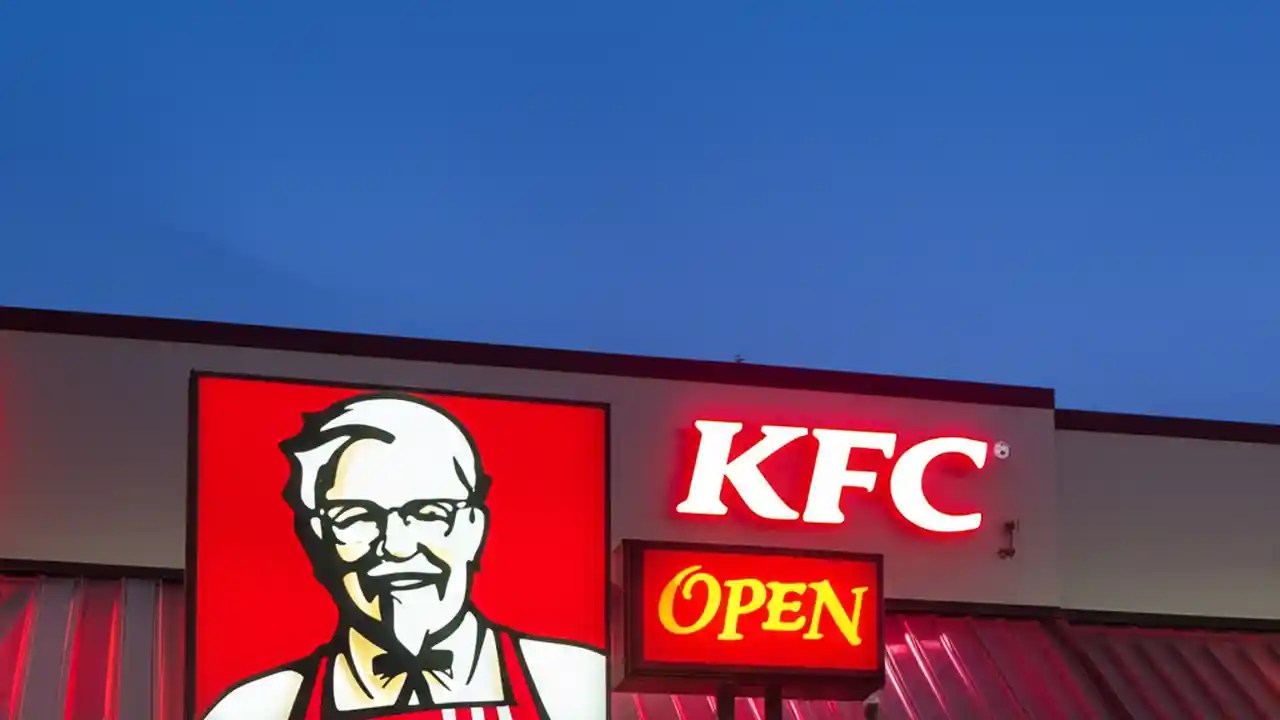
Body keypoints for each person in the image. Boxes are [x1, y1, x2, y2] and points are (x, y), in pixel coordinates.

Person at [205, 393, 605, 719]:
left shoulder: (574, 684)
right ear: (320, 537)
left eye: (429, 513)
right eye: (358, 516)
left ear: (473, 527)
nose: (397, 545)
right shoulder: (258, 709)